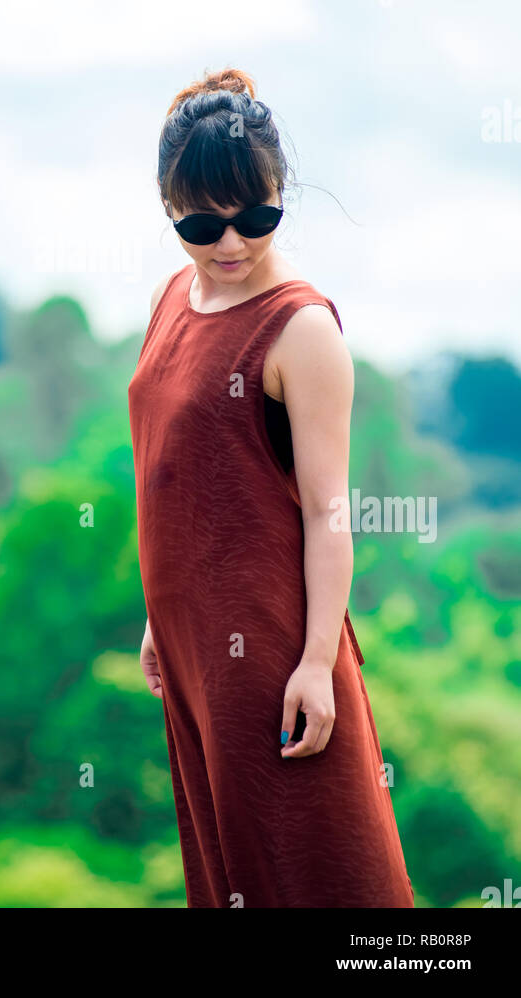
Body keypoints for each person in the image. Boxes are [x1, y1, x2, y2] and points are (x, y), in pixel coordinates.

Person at [127, 67, 415, 908]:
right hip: (187, 641)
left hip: (271, 644)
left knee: (308, 860)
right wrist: (158, 612)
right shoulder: (167, 301)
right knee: (226, 859)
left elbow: (329, 514)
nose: (228, 245)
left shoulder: (299, 328)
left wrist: (317, 662)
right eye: (200, 224)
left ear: (278, 193)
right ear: (166, 204)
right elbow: (176, 472)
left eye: (254, 217)